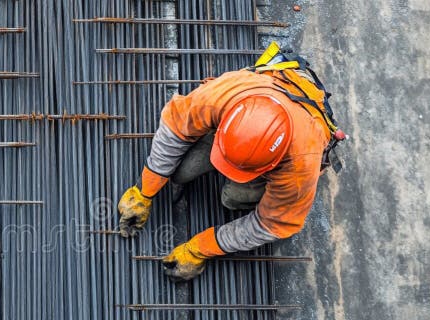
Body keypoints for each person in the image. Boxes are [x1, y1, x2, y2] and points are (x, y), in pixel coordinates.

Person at [117, 43, 344, 281]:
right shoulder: (223, 96)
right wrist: (144, 192)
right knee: (180, 172)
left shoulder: (300, 166)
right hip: (268, 94)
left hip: (305, 122)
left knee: (232, 197)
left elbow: (272, 224)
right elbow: (174, 128)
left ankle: (248, 182)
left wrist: (199, 249)